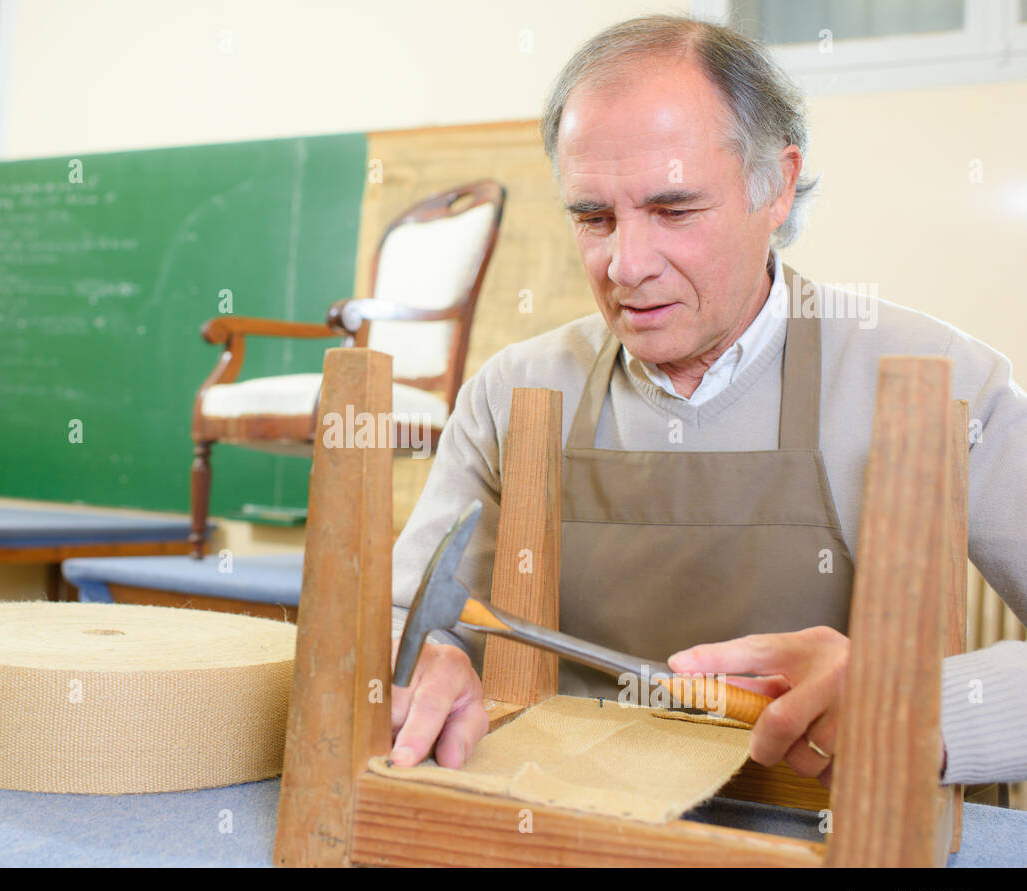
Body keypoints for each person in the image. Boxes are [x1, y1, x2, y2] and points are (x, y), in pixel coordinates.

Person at [387, 14, 1027, 787]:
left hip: (831, 842)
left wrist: (930, 708)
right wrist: (431, 663)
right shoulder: (512, 394)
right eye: (593, 218)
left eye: (674, 210)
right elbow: (399, 617)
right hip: (572, 824)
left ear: (778, 186)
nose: (625, 265)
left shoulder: (942, 382)